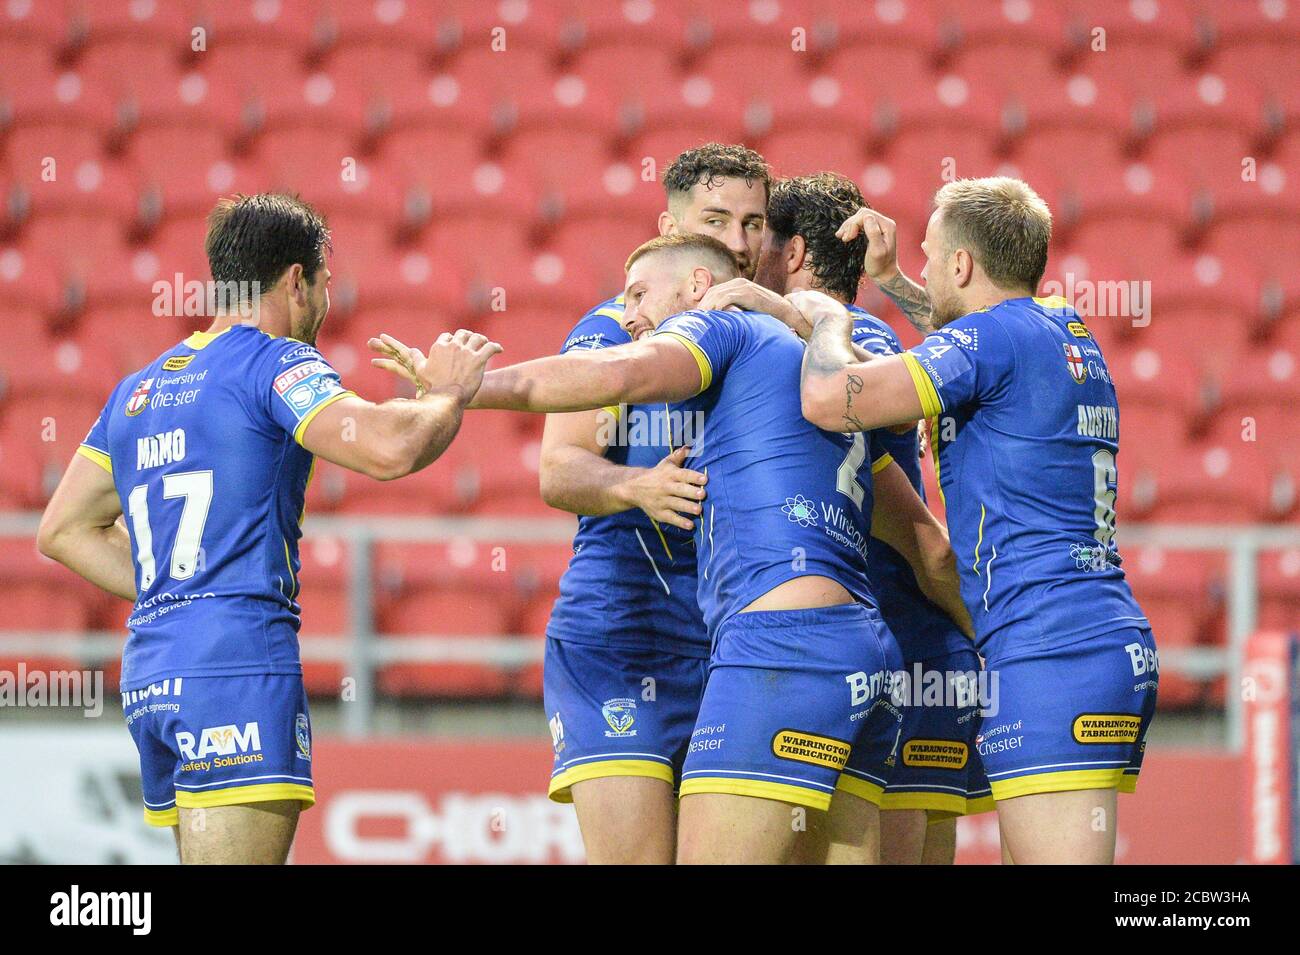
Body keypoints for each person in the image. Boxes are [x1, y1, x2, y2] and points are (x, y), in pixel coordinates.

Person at [438, 232, 971, 863]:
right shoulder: (812, 366)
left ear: (698, 288)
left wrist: (470, 387)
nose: (626, 314)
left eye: (639, 294)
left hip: (780, 645)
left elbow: (616, 373)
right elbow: (925, 541)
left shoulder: (722, 329)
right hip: (866, 649)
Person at [36, 193, 499, 864]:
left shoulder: (136, 391)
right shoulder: (275, 362)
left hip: (153, 669)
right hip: (238, 662)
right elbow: (389, 449)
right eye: (324, 288)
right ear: (295, 280)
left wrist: (178, 590)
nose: (325, 306)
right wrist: (447, 393)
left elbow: (62, 529)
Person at [793, 177, 1158, 864]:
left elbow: (826, 398)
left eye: (930, 258)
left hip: (1051, 649)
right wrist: (894, 280)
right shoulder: (1061, 327)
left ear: (962, 264)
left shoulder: (992, 341)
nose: (925, 269)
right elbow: (966, 345)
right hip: (1095, 637)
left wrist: (827, 317)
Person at [702, 172, 993, 864]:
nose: (744, 252)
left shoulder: (799, 348)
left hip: (872, 643)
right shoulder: (882, 337)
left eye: (759, 234)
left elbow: (923, 543)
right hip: (919, 654)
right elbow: (990, 341)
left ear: (796, 252)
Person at [531, 143, 770, 864]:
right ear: (671, 230)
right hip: (620, 634)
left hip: (737, 645)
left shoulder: (769, 338)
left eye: (755, 223)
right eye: (718, 219)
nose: (739, 241)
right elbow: (558, 466)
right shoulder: (617, 332)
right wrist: (636, 487)